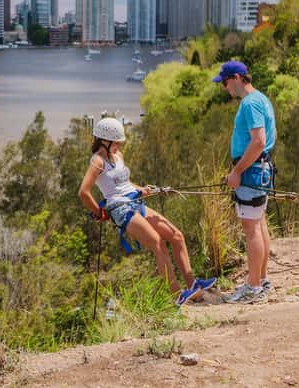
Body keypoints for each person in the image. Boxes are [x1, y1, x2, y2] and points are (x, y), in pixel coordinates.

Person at [78, 117, 216, 306]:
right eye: (116, 141)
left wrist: (141, 189)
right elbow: (83, 192)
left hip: (135, 201)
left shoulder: (118, 156)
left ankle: (193, 284)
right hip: (120, 209)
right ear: (104, 140)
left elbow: (125, 184)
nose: (119, 144)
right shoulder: (98, 161)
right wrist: (100, 212)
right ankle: (176, 294)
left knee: (176, 236)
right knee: (157, 243)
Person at [214, 61, 277, 304]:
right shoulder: (262, 98)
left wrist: (237, 171)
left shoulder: (250, 103)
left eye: (226, 82)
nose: (225, 88)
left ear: (238, 78)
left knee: (251, 230)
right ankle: (260, 280)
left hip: (250, 170)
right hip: (260, 168)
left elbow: (259, 141)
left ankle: (253, 288)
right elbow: (272, 136)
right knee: (259, 224)